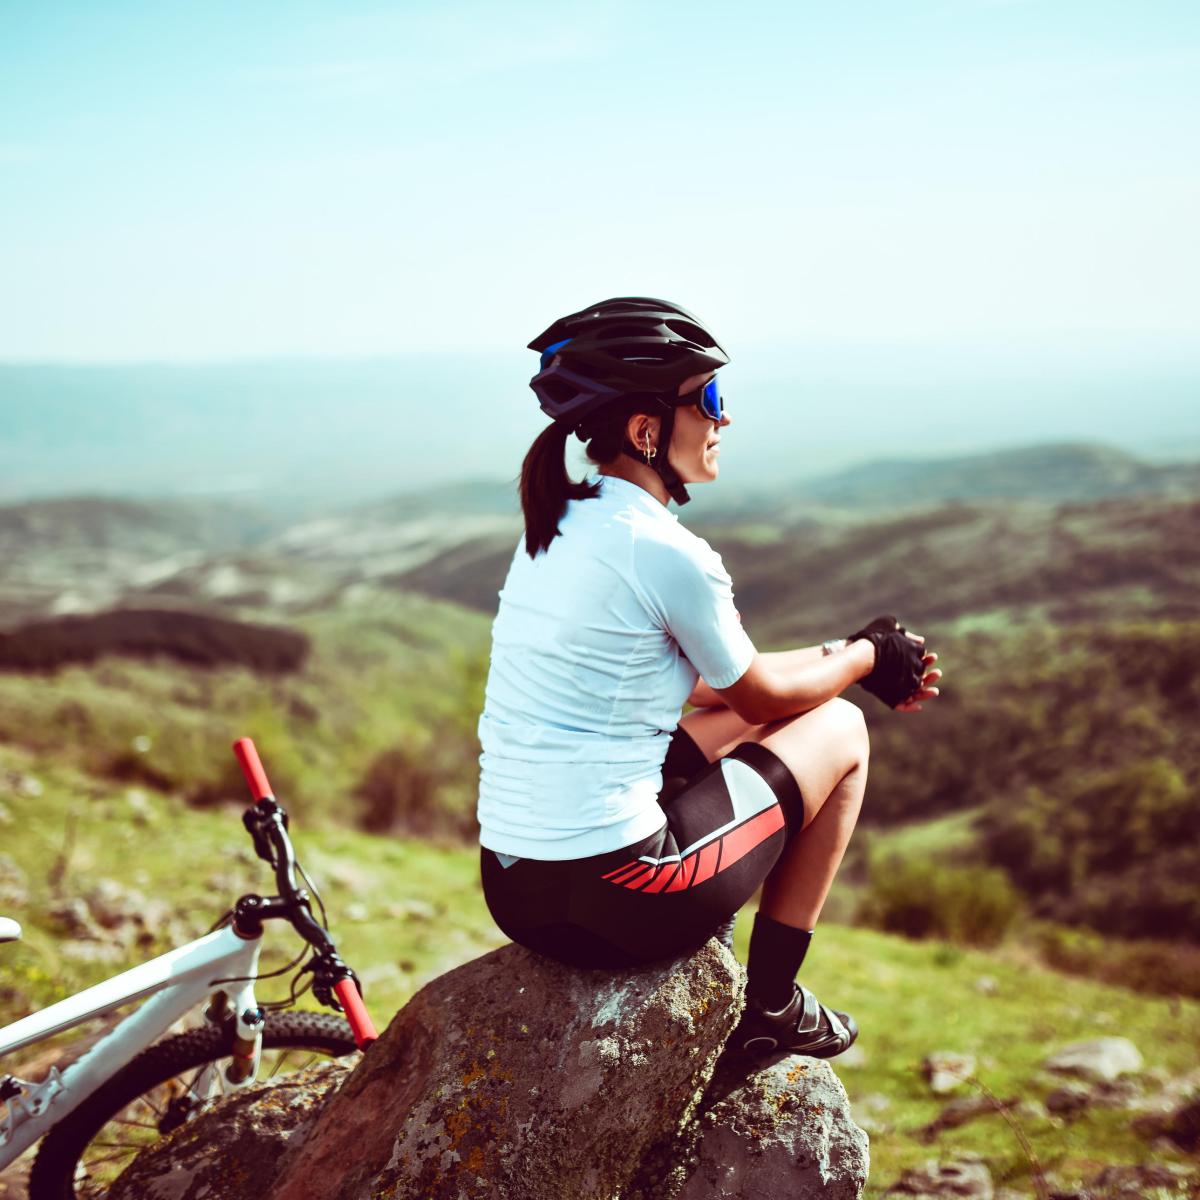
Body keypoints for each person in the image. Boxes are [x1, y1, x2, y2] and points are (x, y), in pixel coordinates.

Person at [476, 297, 941, 1058]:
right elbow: (758, 694)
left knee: (756, 723)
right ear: (645, 429)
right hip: (614, 897)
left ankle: (748, 970)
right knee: (845, 730)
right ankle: (770, 1003)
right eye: (711, 401)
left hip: (516, 887)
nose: (723, 421)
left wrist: (848, 649)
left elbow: (716, 689)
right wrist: (865, 663)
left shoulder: (561, 526)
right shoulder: (666, 550)